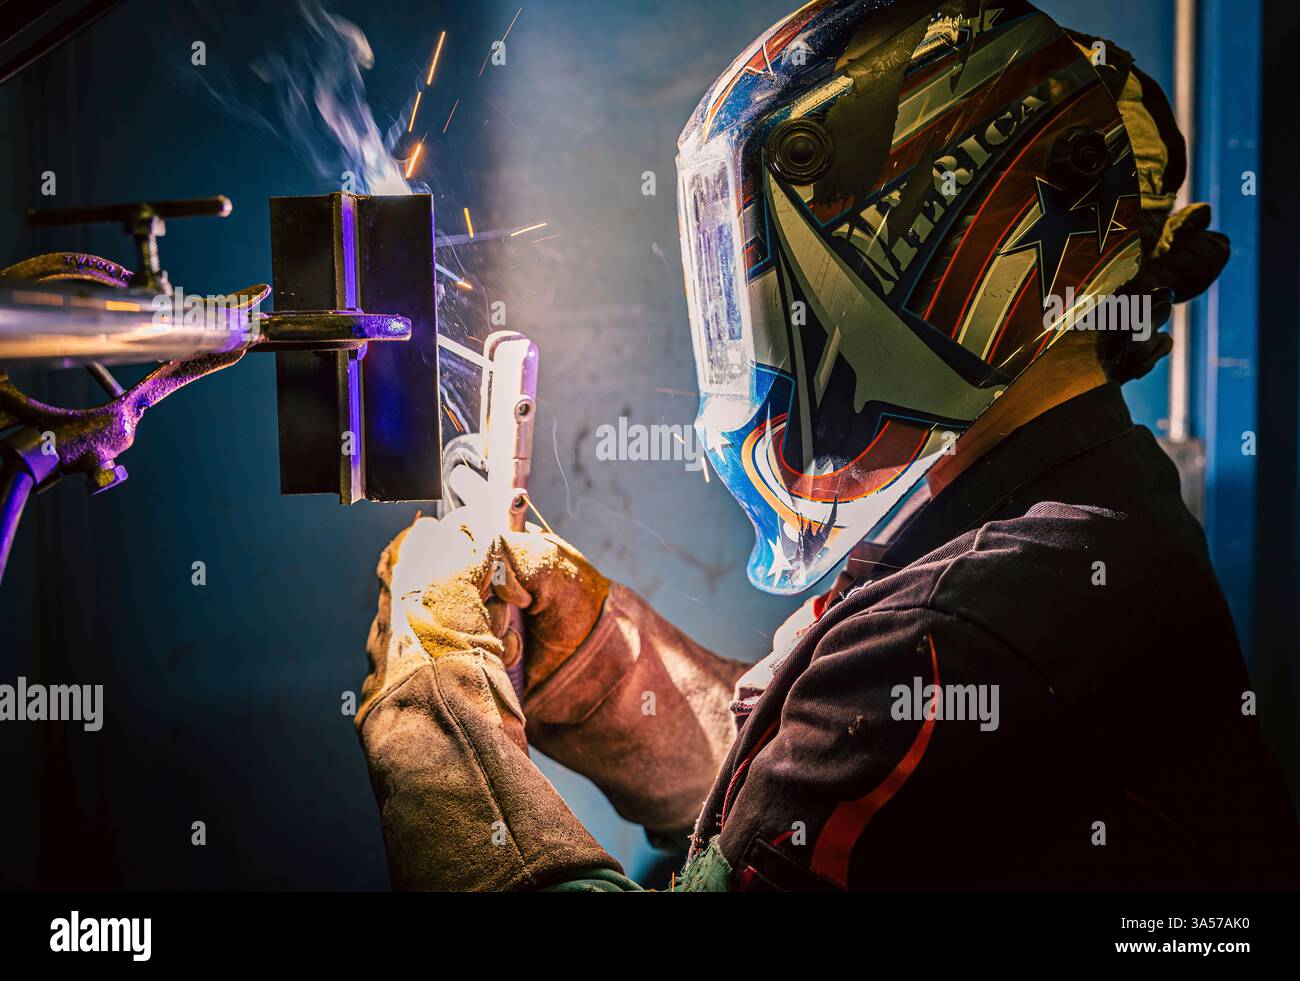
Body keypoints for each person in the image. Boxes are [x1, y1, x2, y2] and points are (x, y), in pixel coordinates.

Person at [354, 0, 1299, 891]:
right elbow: (817, 805)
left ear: (942, 233)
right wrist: (607, 667)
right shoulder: (1073, 512)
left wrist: (438, 704)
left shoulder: (963, 630)